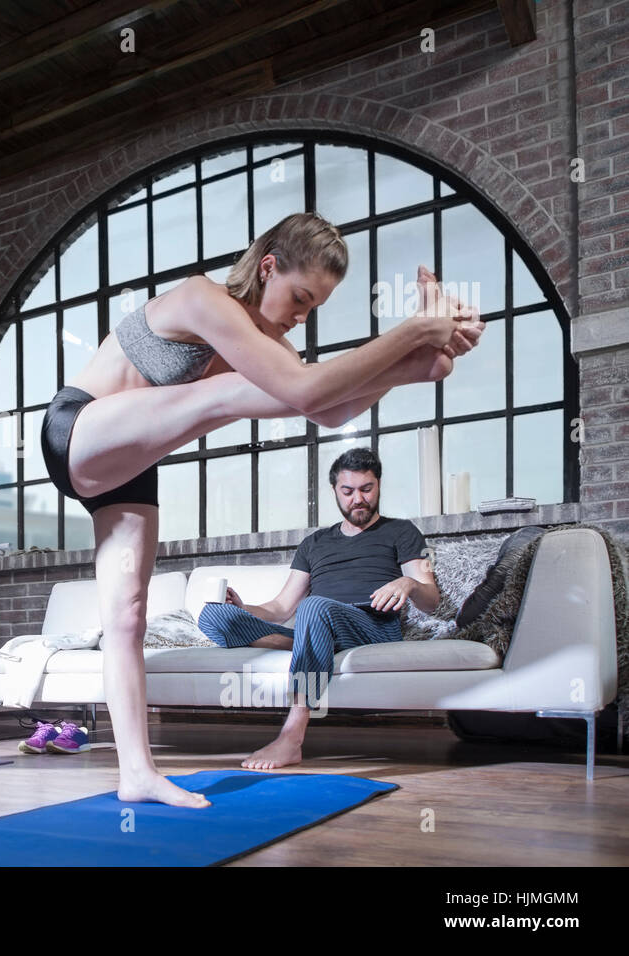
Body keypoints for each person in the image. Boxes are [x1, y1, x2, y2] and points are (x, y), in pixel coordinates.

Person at [39, 212, 484, 808]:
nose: (302, 315)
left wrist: (419, 367)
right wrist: (413, 332)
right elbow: (306, 391)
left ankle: (136, 774)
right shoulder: (203, 298)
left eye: (314, 307)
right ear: (268, 266)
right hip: (79, 431)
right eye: (300, 297)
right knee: (223, 394)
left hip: (129, 467)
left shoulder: (272, 347)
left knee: (129, 617)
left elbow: (325, 410)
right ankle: (416, 348)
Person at [197, 447, 438, 770]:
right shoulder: (314, 543)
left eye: (366, 489)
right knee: (213, 615)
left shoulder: (402, 532)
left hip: (372, 626)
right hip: (315, 620)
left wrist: (408, 584)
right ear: (335, 492)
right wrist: (243, 608)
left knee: (314, 608)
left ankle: (292, 736)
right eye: (348, 491)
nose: (358, 499)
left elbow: (432, 601)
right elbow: (282, 607)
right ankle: (316, 641)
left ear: (378, 485)